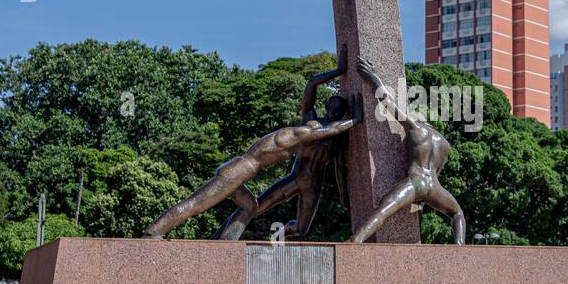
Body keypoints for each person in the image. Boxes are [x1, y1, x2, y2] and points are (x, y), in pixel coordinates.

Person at [143, 48, 359, 239]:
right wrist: (356, 119)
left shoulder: (316, 135)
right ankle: (153, 233)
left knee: (250, 207)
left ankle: (222, 244)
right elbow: (327, 121)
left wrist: (345, 196)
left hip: (249, 172)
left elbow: (337, 155)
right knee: (196, 205)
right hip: (238, 171)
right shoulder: (305, 131)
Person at [350, 56, 465, 244]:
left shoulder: (416, 129)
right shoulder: (445, 144)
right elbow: (438, 171)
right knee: (457, 212)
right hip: (434, 187)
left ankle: (354, 242)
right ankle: (460, 248)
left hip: (415, 183)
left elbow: (388, 102)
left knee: (383, 211)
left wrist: (373, 77)